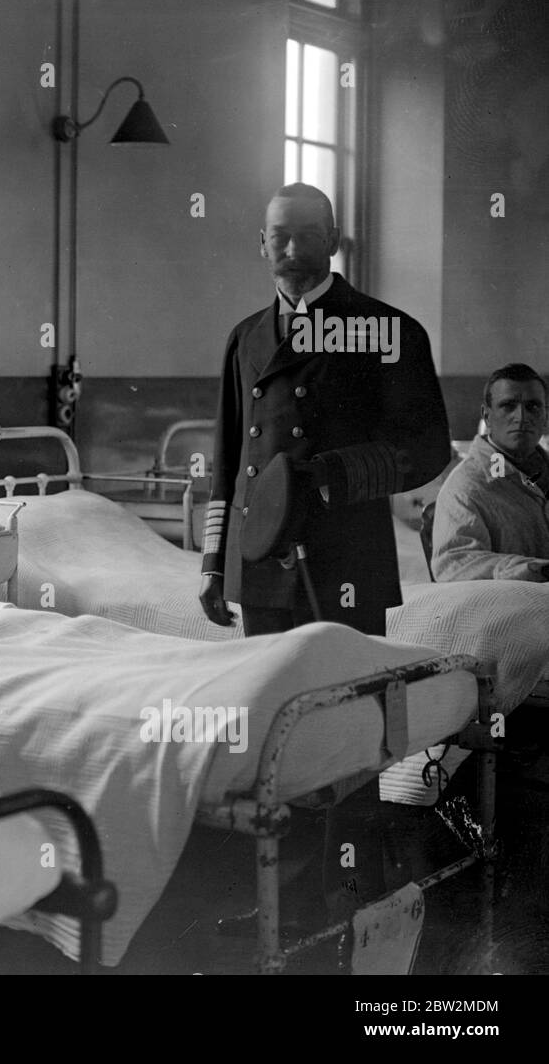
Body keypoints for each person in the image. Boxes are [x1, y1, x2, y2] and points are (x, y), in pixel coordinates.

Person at [198, 183, 452, 935]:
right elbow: (225, 460)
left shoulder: (385, 330)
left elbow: (427, 447)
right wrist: (215, 562)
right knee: (274, 733)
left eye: (306, 232)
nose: (290, 246)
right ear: (262, 243)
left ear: (334, 238)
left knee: (346, 735)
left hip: (344, 560)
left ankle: (351, 897)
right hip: (264, 564)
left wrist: (341, 474)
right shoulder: (246, 337)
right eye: (277, 234)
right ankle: (282, 903)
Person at [432, 363, 549, 582]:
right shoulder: (466, 487)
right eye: (508, 406)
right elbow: (454, 565)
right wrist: (533, 569)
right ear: (487, 416)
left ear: (545, 417)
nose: (521, 417)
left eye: (533, 406)